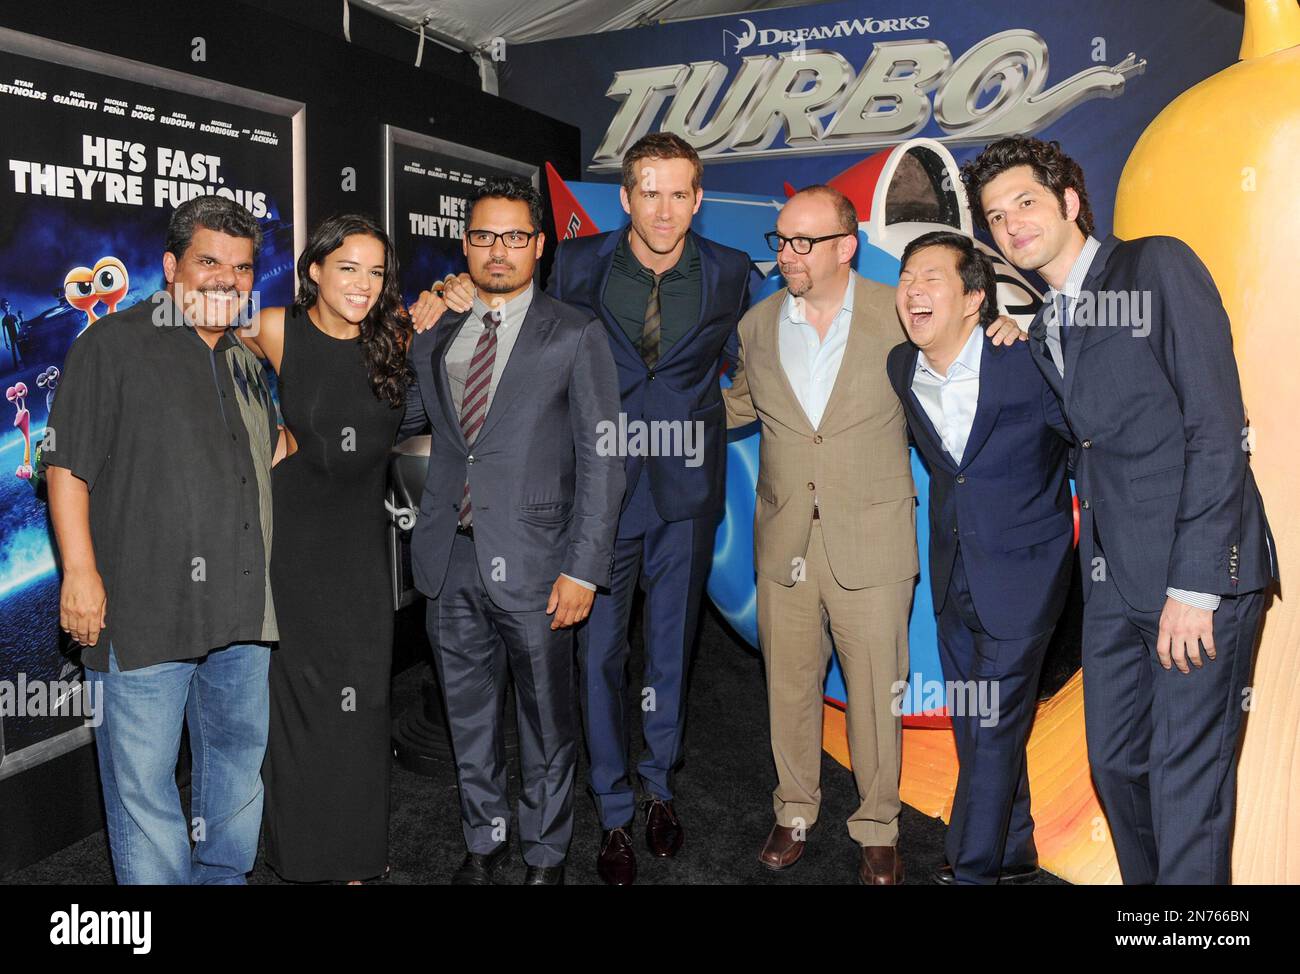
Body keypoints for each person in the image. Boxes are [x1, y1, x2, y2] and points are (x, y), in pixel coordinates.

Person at [412, 133, 758, 885]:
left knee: (671, 651)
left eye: (678, 193)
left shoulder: (735, 273)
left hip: (688, 492)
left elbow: (753, 360)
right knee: (596, 657)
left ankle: (660, 787)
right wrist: (448, 293)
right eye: (648, 191)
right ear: (625, 196)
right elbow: (512, 325)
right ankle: (609, 809)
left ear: (697, 199)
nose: (663, 208)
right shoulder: (575, 263)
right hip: (595, 495)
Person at [963, 136, 1278, 884]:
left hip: (1198, 577)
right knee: (1115, 766)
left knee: (1184, 783)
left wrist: (1196, 589)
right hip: (1112, 584)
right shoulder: (1045, 327)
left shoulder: (1154, 266)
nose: (1012, 226)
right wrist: (1016, 339)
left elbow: (1215, 425)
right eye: (996, 217)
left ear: (1071, 201)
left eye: (1027, 204)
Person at [43, 195, 278, 884]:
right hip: (142, 615)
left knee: (235, 780)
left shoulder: (242, 357)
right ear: (172, 265)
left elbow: (259, 454)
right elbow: (65, 465)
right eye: (209, 261)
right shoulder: (112, 343)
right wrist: (79, 575)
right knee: (144, 798)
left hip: (240, 615)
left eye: (240, 268)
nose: (226, 280)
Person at [399, 176, 624, 886]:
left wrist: (584, 567)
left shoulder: (575, 331)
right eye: (484, 236)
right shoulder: (437, 326)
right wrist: (408, 330)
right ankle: (485, 841)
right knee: (467, 717)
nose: (499, 251)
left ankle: (546, 855)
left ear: (540, 245)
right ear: (465, 243)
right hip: (450, 556)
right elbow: (406, 419)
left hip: (540, 562)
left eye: (515, 237)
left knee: (546, 723)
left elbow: (604, 457)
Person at [720, 184, 918, 885]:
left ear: (846, 245)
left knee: (874, 692)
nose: (787, 256)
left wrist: (1007, 334)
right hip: (784, 543)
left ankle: (879, 824)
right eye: (780, 241)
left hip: (874, 540)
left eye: (804, 242)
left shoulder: (898, 314)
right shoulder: (758, 323)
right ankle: (795, 807)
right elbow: (737, 405)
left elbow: (958, 364)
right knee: (789, 687)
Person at [885, 230, 1073, 884]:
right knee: (975, 723)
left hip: (1026, 576)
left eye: (930, 277)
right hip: (952, 577)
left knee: (992, 732)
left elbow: (1082, 437)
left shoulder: (1026, 362)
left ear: (974, 300)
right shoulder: (900, 367)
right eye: (907, 276)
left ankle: (971, 868)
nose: (912, 289)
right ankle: (1014, 852)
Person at [237, 214, 410, 884]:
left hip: (362, 547)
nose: (363, 284)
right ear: (313, 270)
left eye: (375, 272)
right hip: (296, 542)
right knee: (302, 701)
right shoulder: (277, 328)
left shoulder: (394, 335)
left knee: (363, 700)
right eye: (347, 268)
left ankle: (359, 857)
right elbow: (197, 351)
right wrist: (265, 441)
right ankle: (304, 858)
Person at [2, 298, 22, 369]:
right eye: (3, 305)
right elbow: (4, 331)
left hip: (18, 335)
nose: (5, 307)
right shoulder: (4, 320)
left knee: (20, 348)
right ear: (2, 308)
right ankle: (16, 365)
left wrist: (21, 334)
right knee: (14, 351)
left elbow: (19, 327)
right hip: (11, 337)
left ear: (9, 306)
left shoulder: (13, 316)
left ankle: (23, 361)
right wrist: (6, 342)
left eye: (6, 305)